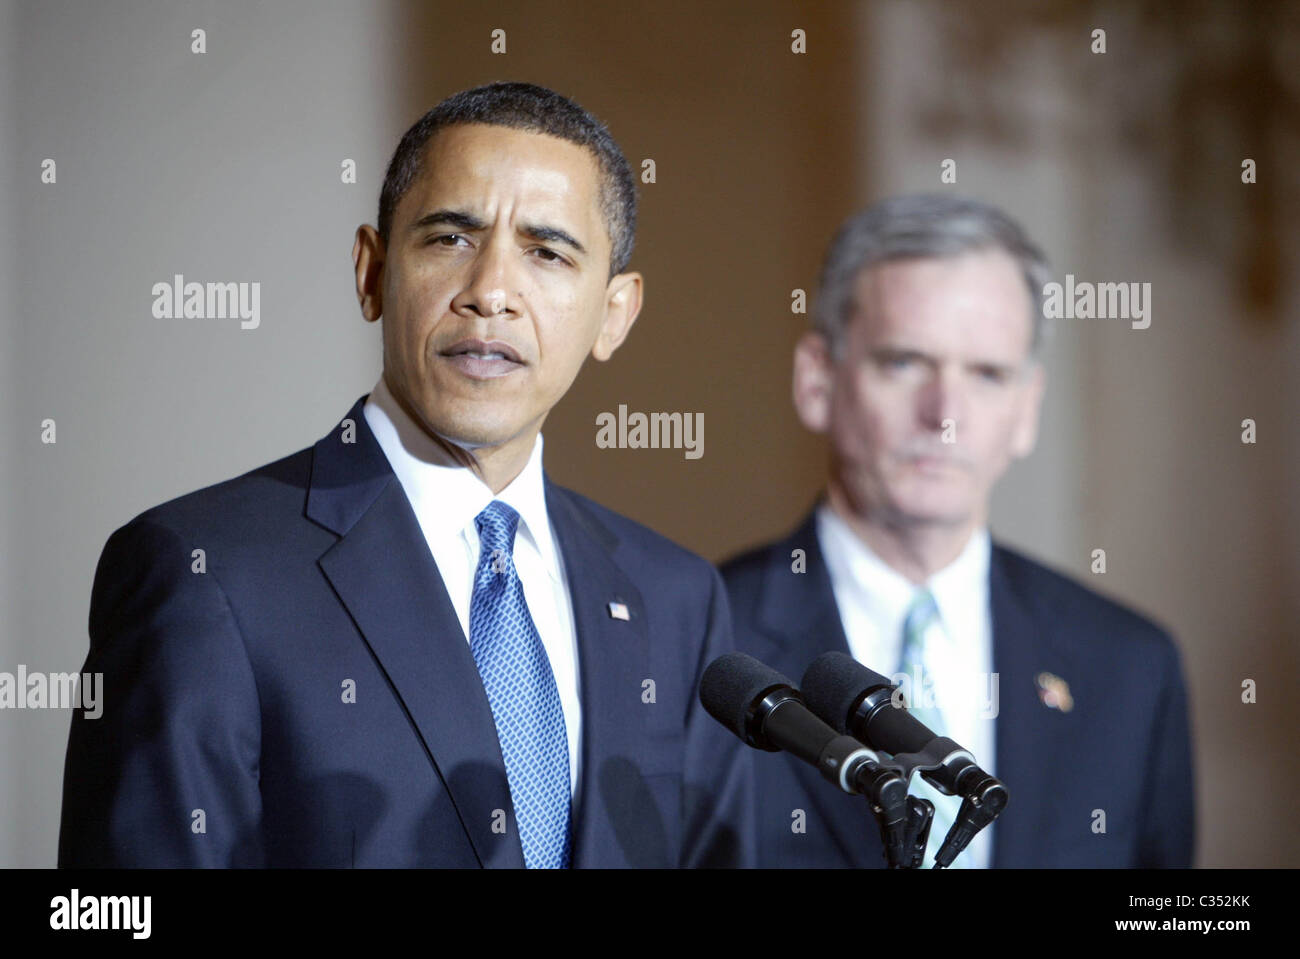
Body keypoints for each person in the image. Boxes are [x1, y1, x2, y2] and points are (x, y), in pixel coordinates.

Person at [58, 81, 751, 868]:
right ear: (372, 272)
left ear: (614, 314)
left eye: (547, 252)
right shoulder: (202, 571)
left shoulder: (676, 599)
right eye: (450, 239)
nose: (491, 292)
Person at [721, 194, 1194, 868]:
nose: (944, 413)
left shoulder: (1130, 666)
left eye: (987, 374)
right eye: (904, 362)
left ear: (1027, 409)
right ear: (817, 380)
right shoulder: (703, 641)